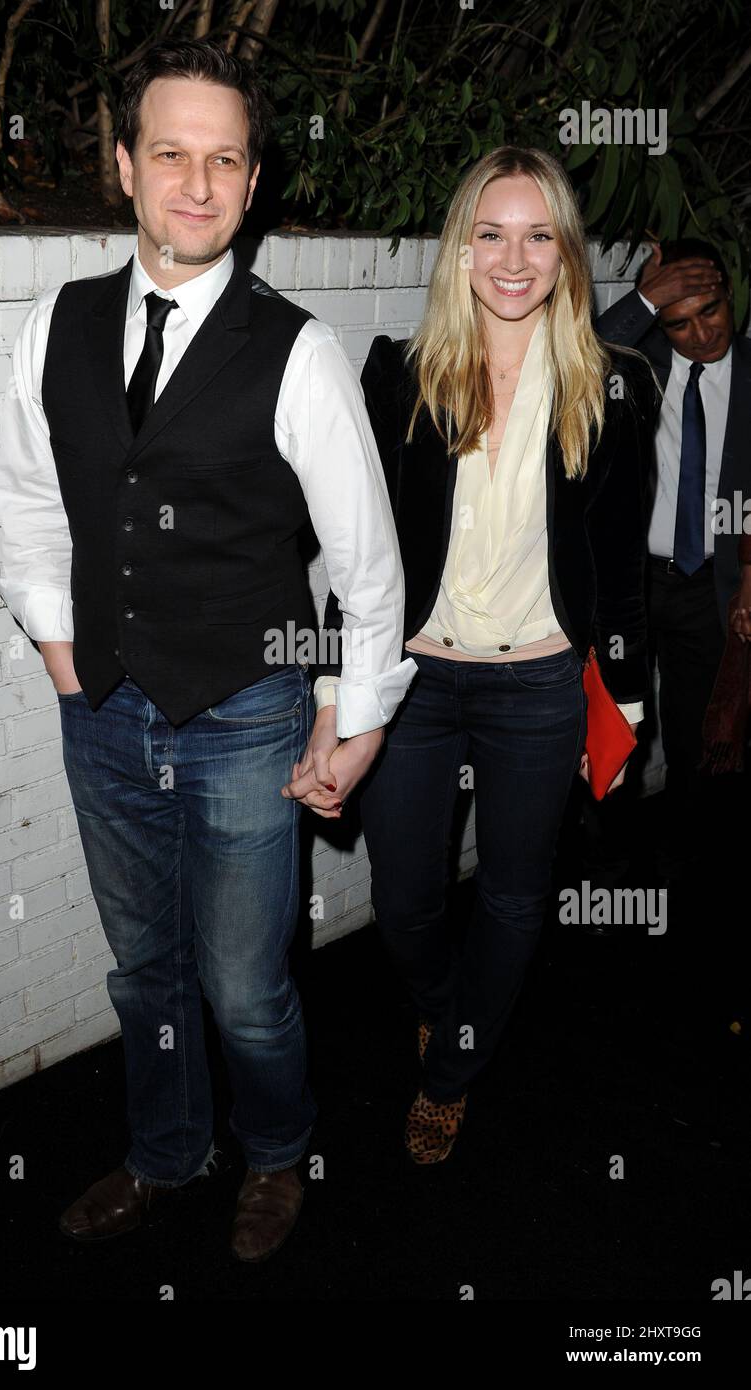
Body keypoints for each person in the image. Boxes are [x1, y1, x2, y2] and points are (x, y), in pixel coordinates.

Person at [0, 38, 415, 1261]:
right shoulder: (53, 325)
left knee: (244, 984)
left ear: (251, 178)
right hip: (102, 703)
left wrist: (357, 710)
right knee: (144, 970)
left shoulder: (298, 350)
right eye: (169, 153)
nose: (195, 181)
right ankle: (169, 1151)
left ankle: (278, 1154)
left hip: (244, 710)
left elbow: (366, 562)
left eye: (222, 158)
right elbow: (28, 499)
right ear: (123, 166)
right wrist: (62, 650)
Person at [286, 146, 661, 1163]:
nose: (512, 256)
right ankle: (452, 1008)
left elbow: (617, 566)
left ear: (566, 255)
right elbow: (354, 563)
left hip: (540, 684)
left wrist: (623, 704)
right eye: (489, 233)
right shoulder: (399, 376)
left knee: (508, 894)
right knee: (405, 899)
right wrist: (332, 698)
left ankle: (449, 1067)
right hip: (414, 681)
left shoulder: (611, 388)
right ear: (458, 251)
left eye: (537, 234)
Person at [594, 239, 751, 891]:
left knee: (699, 738)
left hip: (708, 582)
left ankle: (687, 865)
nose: (698, 334)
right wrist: (643, 300)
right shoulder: (641, 361)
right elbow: (578, 356)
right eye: (678, 323)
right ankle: (603, 866)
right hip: (627, 582)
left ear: (729, 297)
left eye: (710, 312)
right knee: (614, 729)